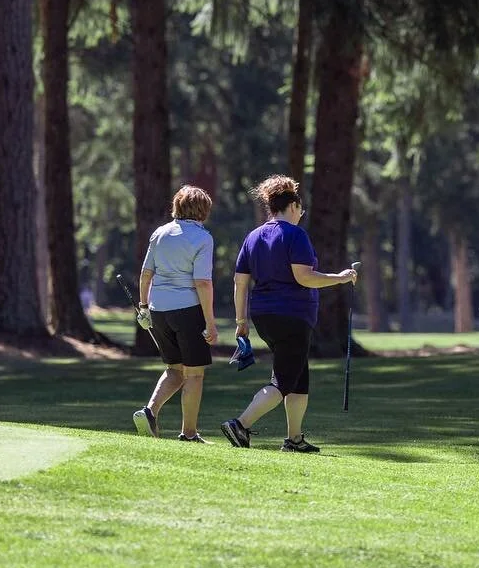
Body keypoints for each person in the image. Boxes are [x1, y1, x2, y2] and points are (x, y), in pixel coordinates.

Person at [220, 175, 357, 452]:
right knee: (282, 381)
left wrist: (240, 322)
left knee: (298, 377)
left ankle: (294, 439)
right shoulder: (296, 235)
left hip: (263, 316)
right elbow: (305, 278)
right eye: (301, 210)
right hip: (292, 314)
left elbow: (241, 283)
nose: (301, 215)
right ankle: (240, 424)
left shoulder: (253, 237)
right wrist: (340, 278)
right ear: (293, 205)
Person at [132, 185, 219, 442]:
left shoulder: (159, 233)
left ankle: (149, 411)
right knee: (194, 373)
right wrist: (211, 324)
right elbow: (202, 282)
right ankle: (189, 433)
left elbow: (146, 273)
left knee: (175, 370)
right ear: (203, 210)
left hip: (159, 311)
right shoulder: (203, 238)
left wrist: (143, 306)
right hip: (187, 310)